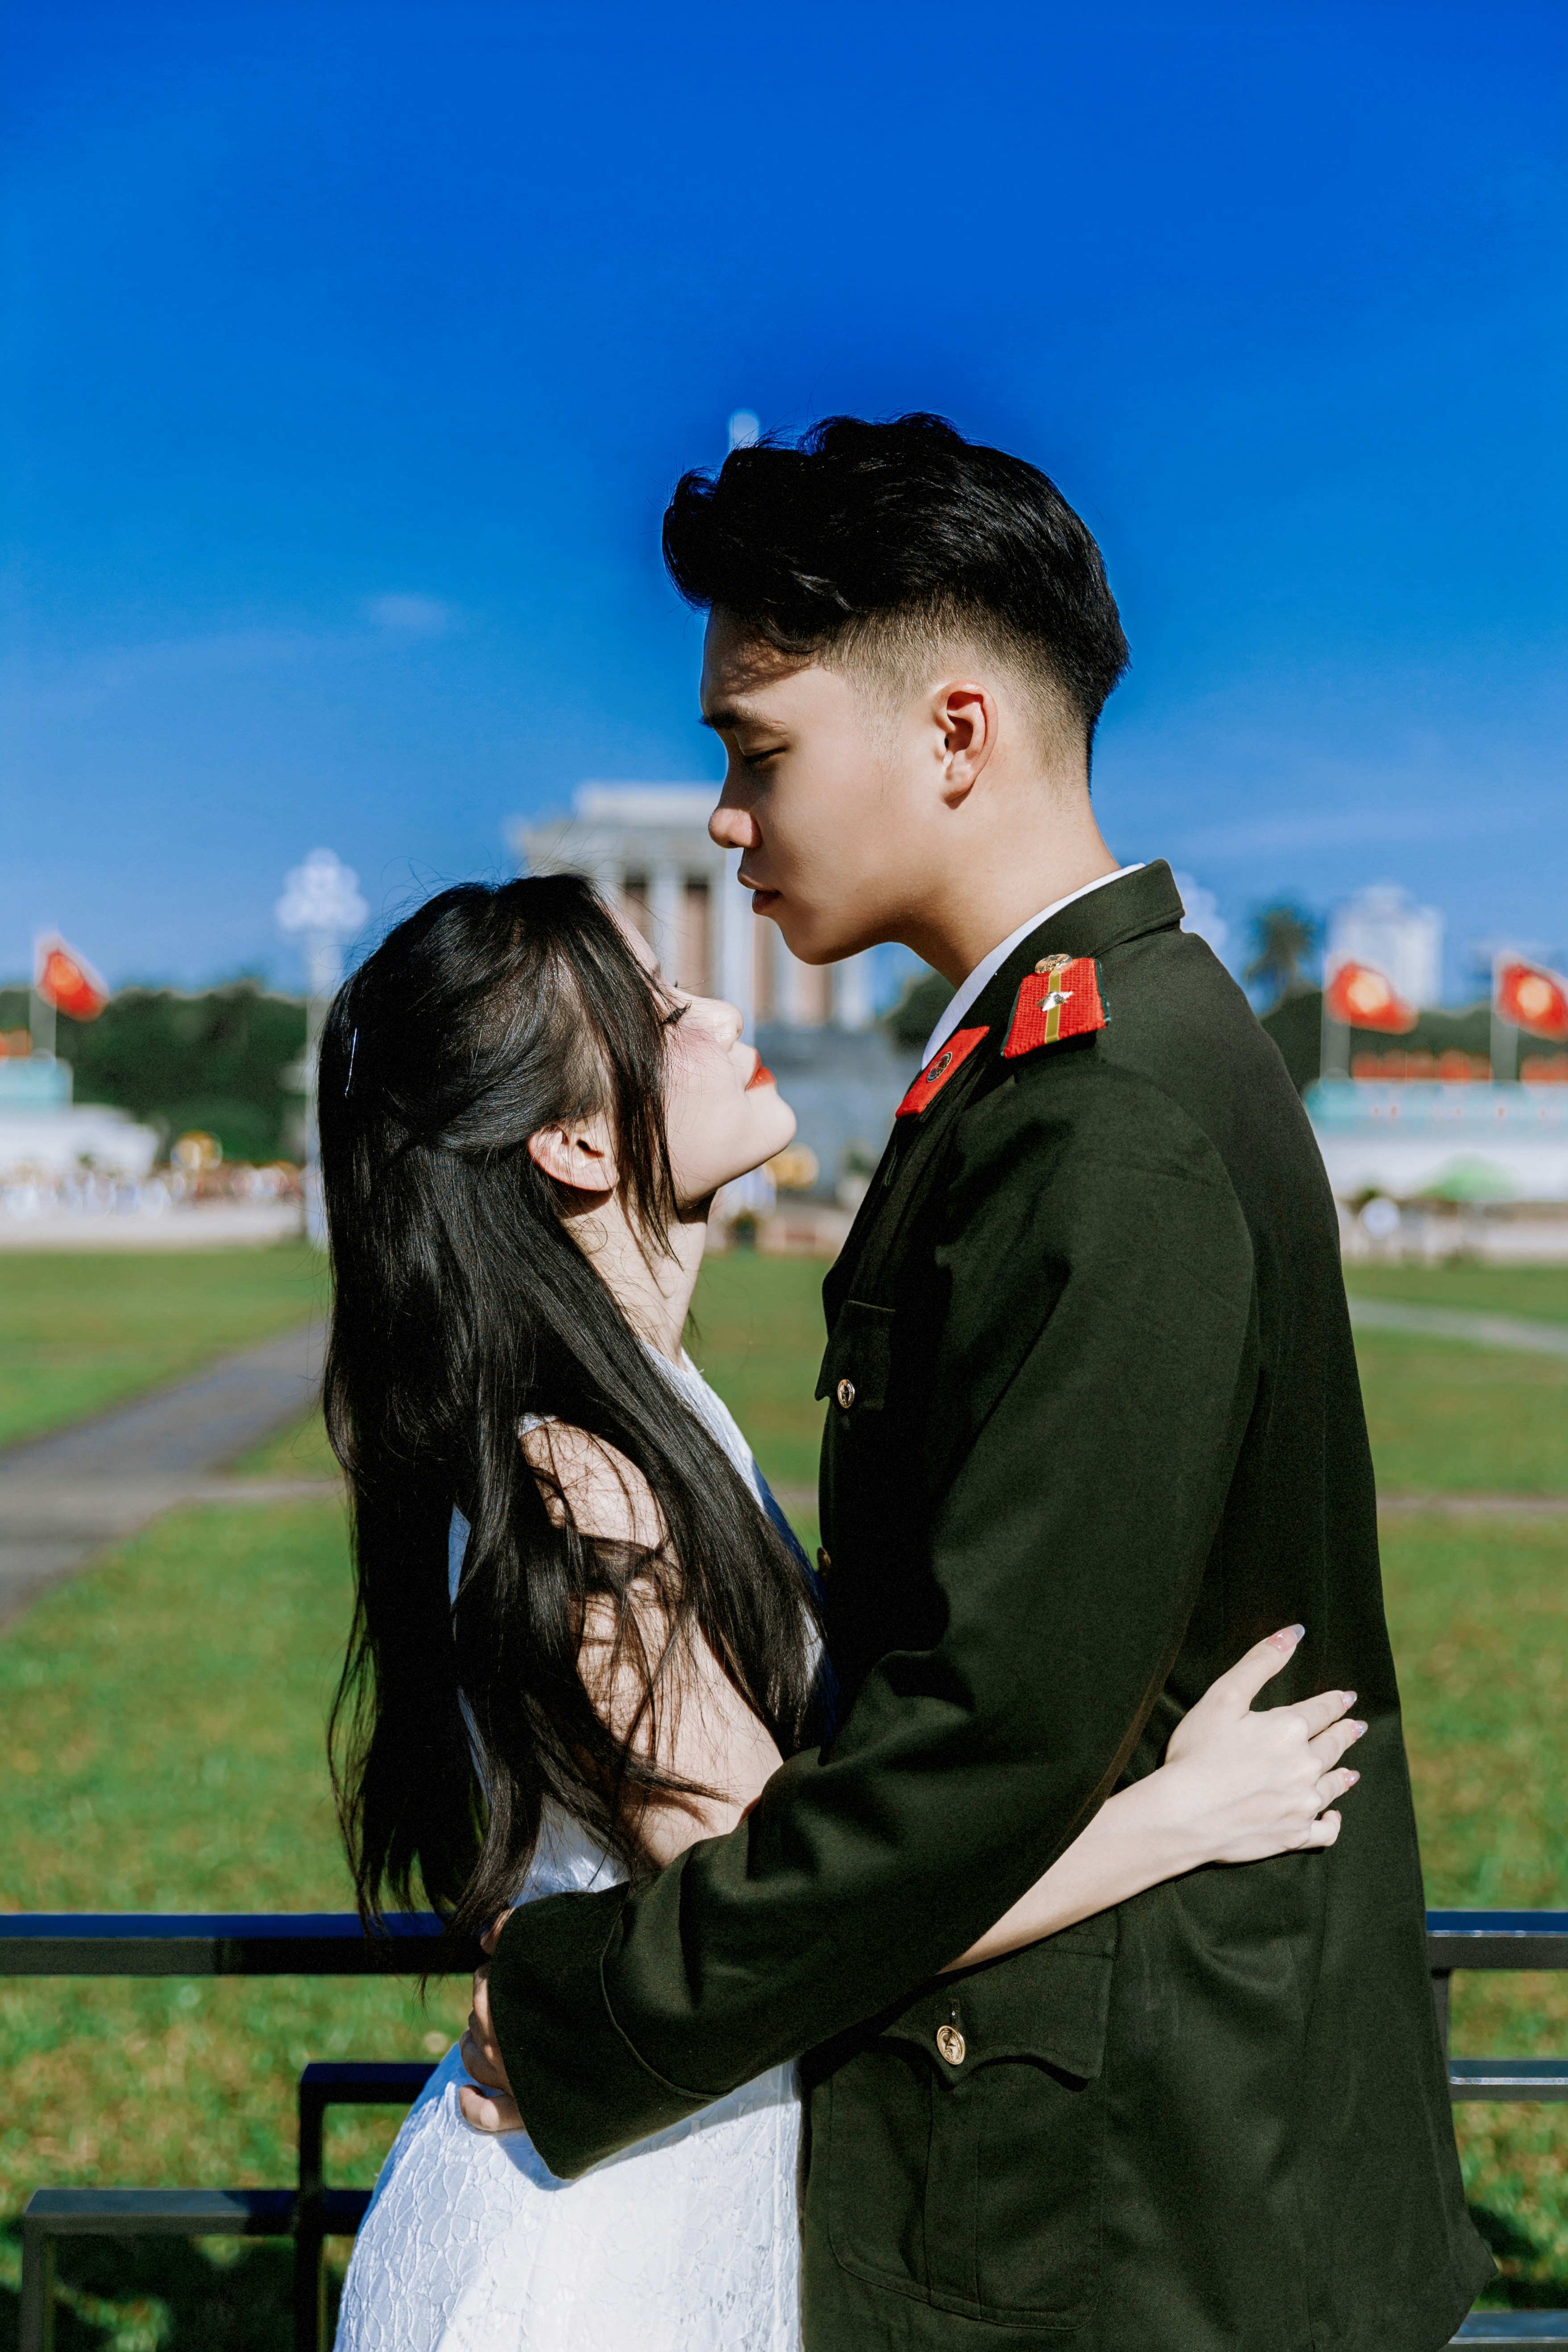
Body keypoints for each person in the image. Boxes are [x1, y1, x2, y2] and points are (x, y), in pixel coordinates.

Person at [468, 418, 1493, 2351]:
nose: (721, 817)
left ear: (953, 733)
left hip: (1122, 2194)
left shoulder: (1104, 1116)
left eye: (754, 749)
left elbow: (987, 1737)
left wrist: (598, 2005)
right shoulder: (1066, 1067)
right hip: (1113, 2135)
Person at [318, 873, 1363, 2352]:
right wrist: (1179, 1818)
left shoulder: (634, 1415)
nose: (722, 1012)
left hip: (664, 2181)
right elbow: (806, 1912)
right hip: (593, 2259)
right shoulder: (583, 1480)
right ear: (573, 1139)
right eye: (665, 1013)